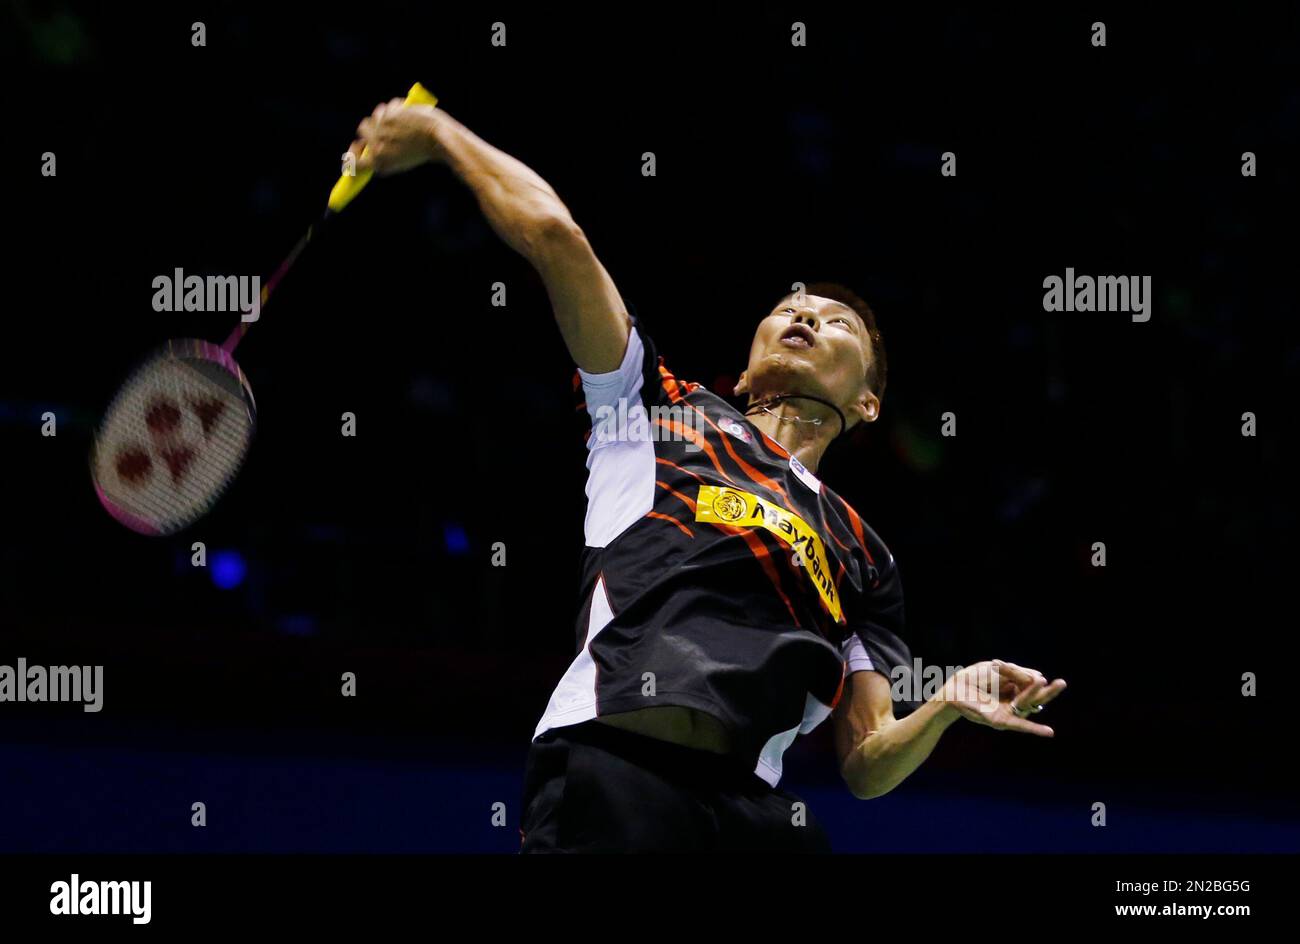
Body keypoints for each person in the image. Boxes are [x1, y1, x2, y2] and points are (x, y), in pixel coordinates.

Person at [347, 98, 1068, 853]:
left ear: (868, 401)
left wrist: (946, 705)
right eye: (789, 309)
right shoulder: (654, 411)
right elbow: (557, 238)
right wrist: (438, 134)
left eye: (837, 323)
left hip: (752, 814)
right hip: (616, 770)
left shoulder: (866, 554)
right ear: (752, 360)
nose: (806, 319)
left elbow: (866, 762)